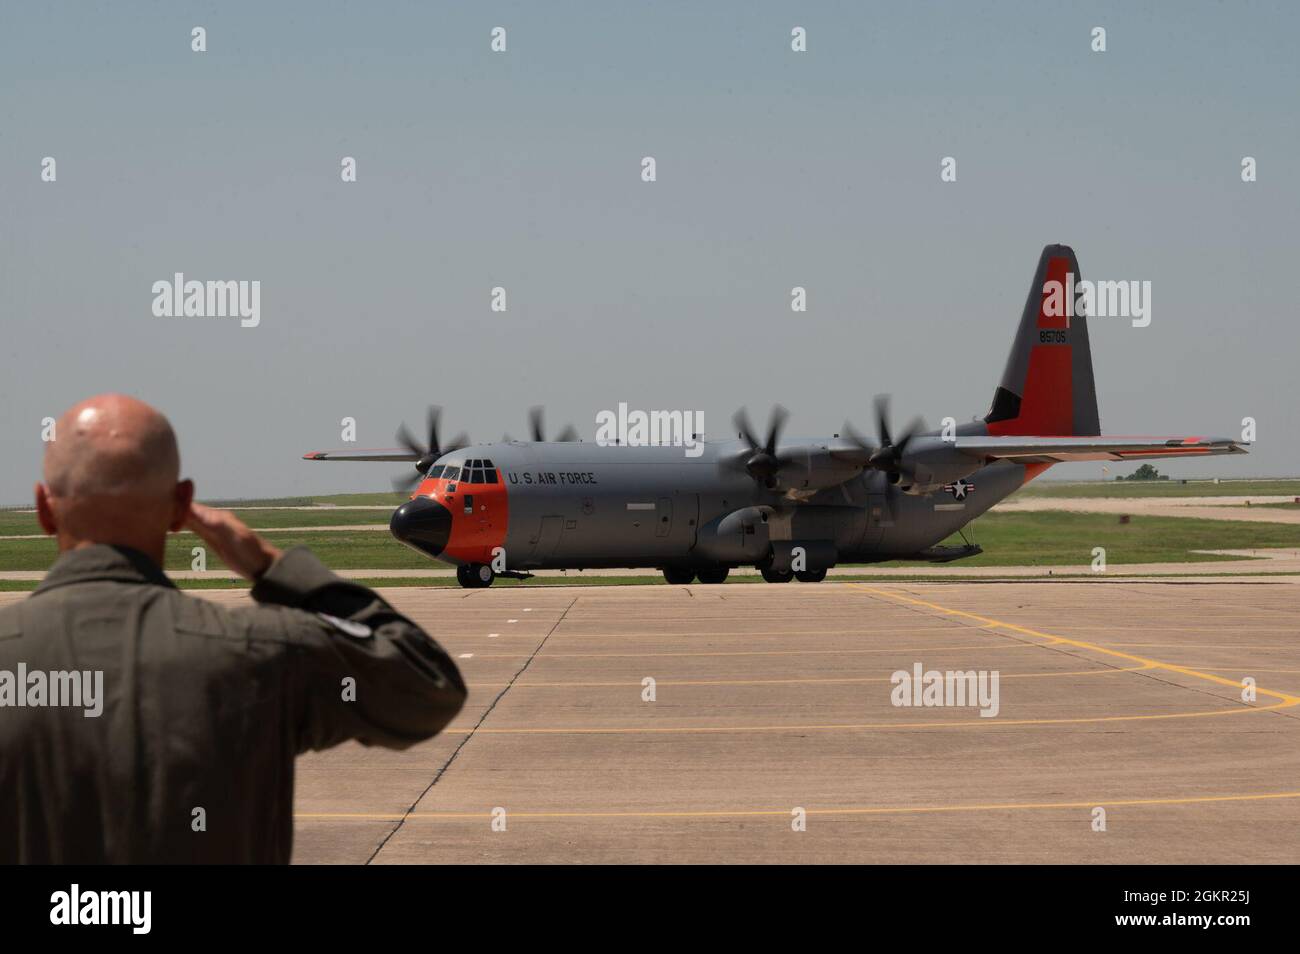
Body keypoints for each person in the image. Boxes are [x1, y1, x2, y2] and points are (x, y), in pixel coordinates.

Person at [0, 394, 466, 863]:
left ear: (43, 507)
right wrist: (273, 567)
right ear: (182, 506)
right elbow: (428, 685)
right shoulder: (262, 650)